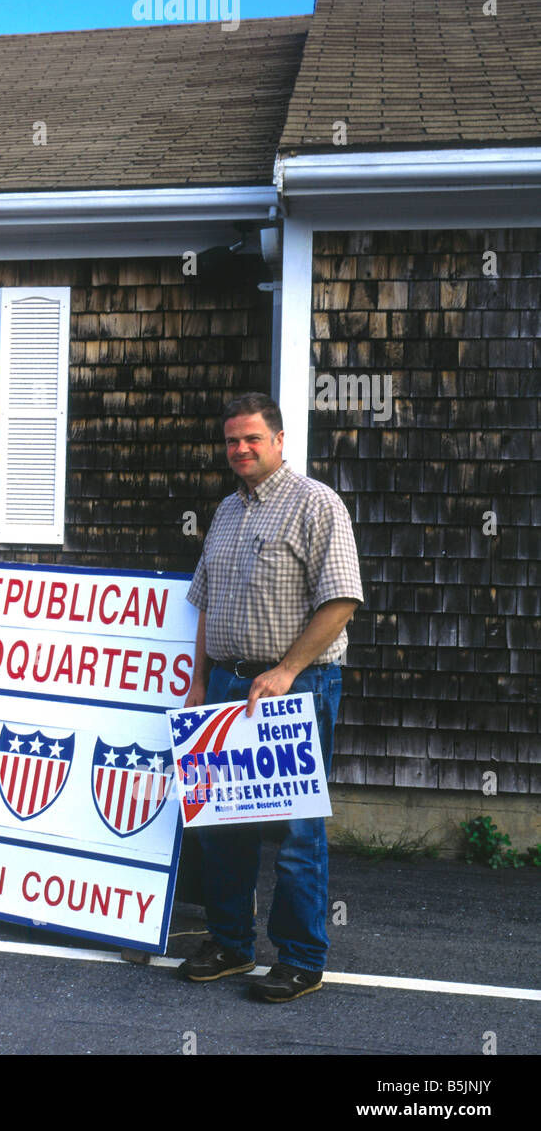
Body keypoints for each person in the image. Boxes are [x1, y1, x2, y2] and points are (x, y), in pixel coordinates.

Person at [178, 392, 363, 1002]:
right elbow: (204, 604)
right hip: (228, 684)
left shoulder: (317, 505)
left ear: (279, 441)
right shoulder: (227, 511)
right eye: (232, 440)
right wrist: (200, 682)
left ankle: (302, 957)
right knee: (221, 824)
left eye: (252, 438)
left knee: (295, 829)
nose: (240, 449)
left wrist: (286, 669)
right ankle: (231, 943)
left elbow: (341, 602)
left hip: (296, 686)